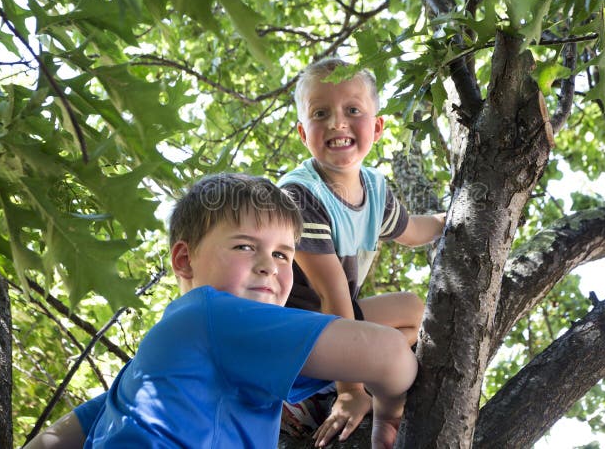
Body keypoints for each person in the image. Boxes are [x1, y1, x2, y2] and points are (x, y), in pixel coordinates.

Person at [24, 173, 417, 449]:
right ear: (184, 260)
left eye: (283, 254)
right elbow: (388, 354)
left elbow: (52, 440)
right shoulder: (213, 316)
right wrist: (388, 411)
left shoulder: (144, 374)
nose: (269, 266)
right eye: (245, 246)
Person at [279, 58, 445, 446]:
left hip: (331, 328)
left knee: (414, 315)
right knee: (400, 330)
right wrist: (350, 391)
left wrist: (451, 218)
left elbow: (411, 231)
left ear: (377, 127)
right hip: (292, 337)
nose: (337, 122)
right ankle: (320, 393)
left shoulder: (374, 190)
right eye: (321, 113)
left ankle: (344, 395)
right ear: (303, 133)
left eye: (353, 110)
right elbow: (331, 292)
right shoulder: (300, 194)